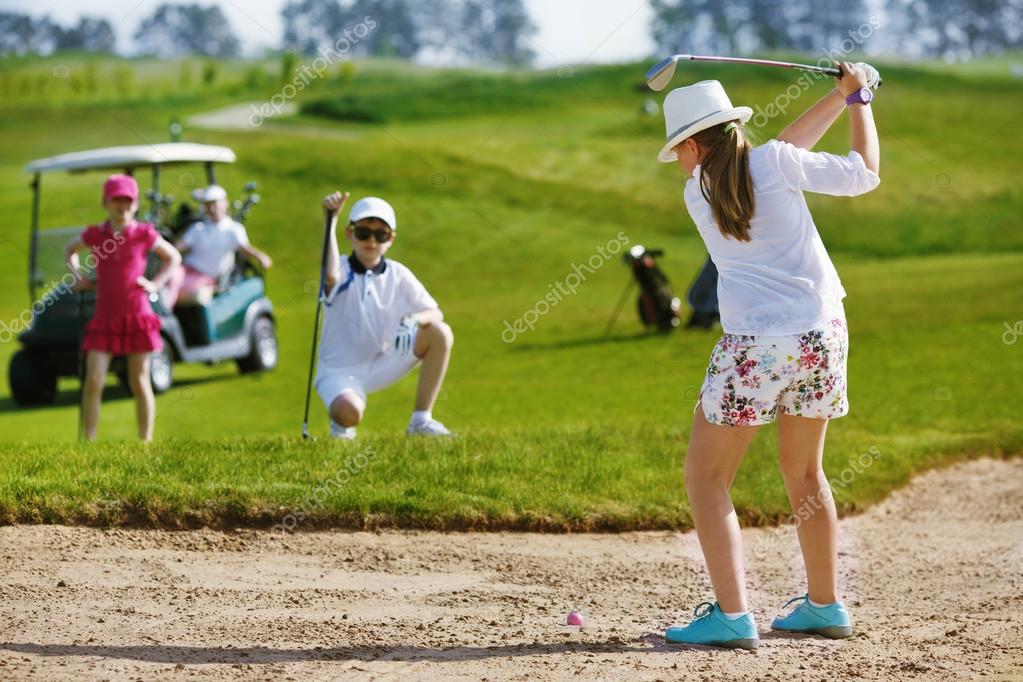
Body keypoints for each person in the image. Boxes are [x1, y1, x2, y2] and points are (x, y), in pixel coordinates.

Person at [657, 63, 880, 648]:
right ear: (732, 127)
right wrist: (858, 100)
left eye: (676, 149)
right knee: (806, 473)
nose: (676, 161)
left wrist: (841, 95)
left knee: (707, 478)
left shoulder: (696, 190)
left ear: (691, 144)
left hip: (755, 347)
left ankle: (731, 616)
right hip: (822, 337)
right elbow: (864, 176)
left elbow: (777, 152)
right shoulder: (773, 163)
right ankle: (824, 605)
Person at [315, 192, 453, 439]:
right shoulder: (342, 269)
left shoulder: (398, 274)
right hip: (339, 370)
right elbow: (329, 275)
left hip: (383, 362)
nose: (371, 240)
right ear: (350, 233)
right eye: (363, 232)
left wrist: (414, 320)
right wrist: (330, 220)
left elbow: (435, 312)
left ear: (391, 239)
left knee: (440, 333)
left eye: (381, 234)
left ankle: (420, 422)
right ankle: (341, 424)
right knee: (349, 414)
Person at [65, 174, 182, 441]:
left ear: (136, 203)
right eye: (117, 199)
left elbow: (173, 257)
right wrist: (78, 277)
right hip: (105, 317)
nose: (123, 206)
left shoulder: (143, 233)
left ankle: (145, 441)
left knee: (139, 380)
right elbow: (70, 249)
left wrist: (155, 284)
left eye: (128, 201)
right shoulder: (96, 234)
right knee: (94, 380)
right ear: (106, 202)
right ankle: (89, 441)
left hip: (138, 315)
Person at [163, 184, 272, 308]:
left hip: (207, 277)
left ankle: (165, 313)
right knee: (172, 275)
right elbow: (177, 248)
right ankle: (164, 314)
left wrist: (260, 257)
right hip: (187, 269)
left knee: (177, 286)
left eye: (215, 203)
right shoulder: (198, 228)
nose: (213, 208)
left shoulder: (233, 229)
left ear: (225, 203)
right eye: (208, 205)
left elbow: (244, 249)